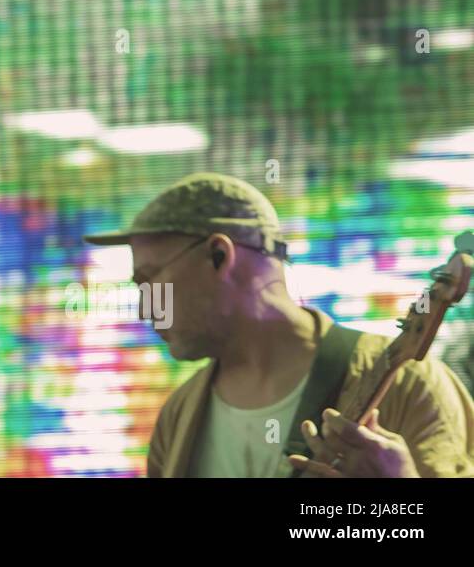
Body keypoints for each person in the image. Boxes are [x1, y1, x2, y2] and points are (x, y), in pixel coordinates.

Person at [84, 172, 474, 477]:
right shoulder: (179, 414)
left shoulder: (408, 385)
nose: (144, 308)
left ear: (219, 255)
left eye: (149, 280)